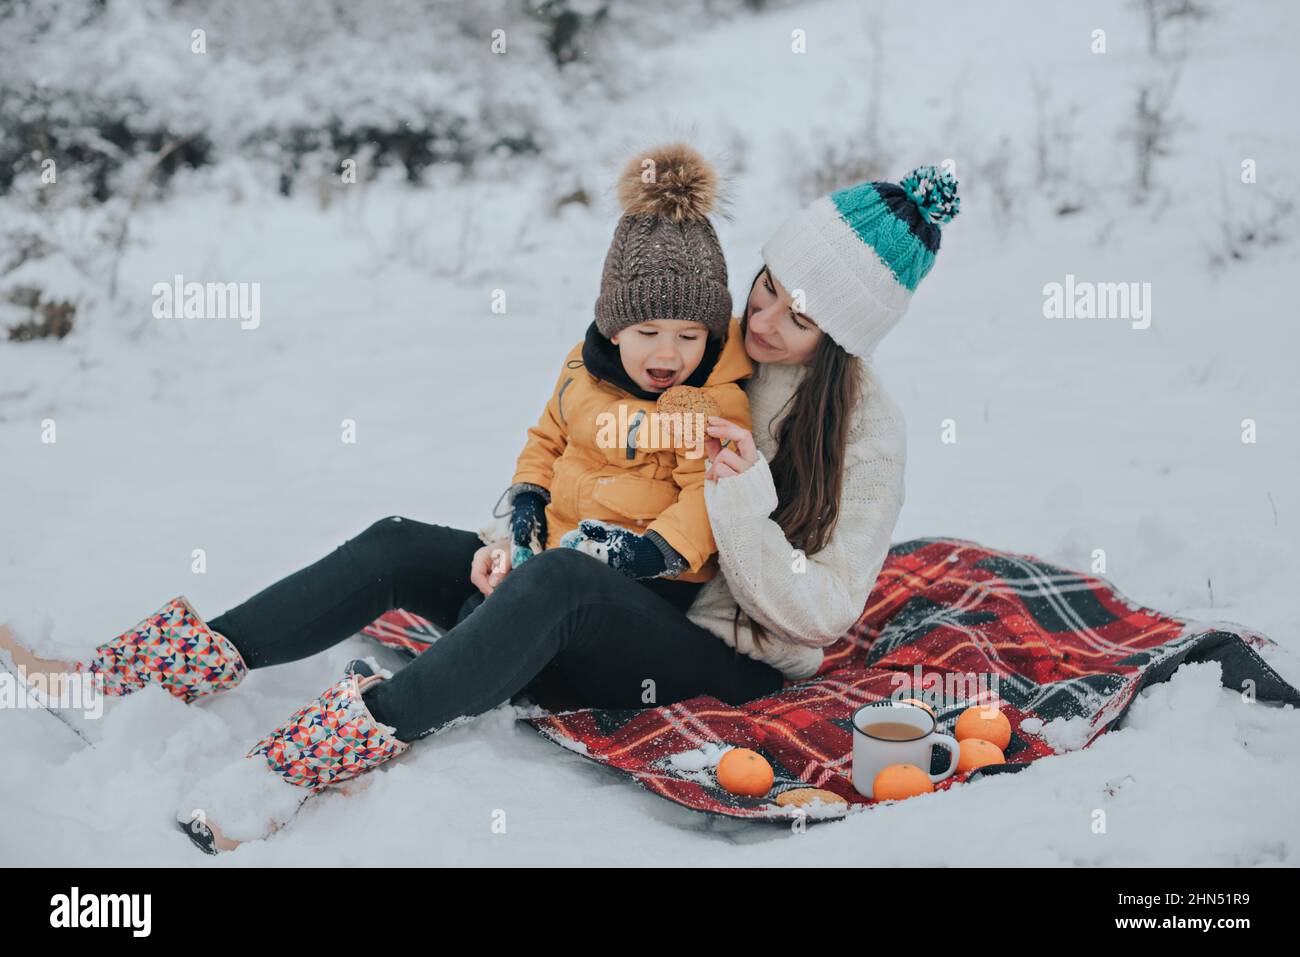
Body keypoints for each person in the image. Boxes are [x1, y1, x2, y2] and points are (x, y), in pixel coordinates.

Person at [0, 162, 959, 853]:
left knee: (565, 585)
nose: (762, 320)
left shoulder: (866, 432)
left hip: (722, 659)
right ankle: (139, 676)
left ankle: (297, 767)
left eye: (799, 316)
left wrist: (740, 495)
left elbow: (825, 612)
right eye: (766, 285)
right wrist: (510, 536)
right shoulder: (710, 343)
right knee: (401, 544)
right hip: (615, 594)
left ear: (843, 337)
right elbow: (573, 450)